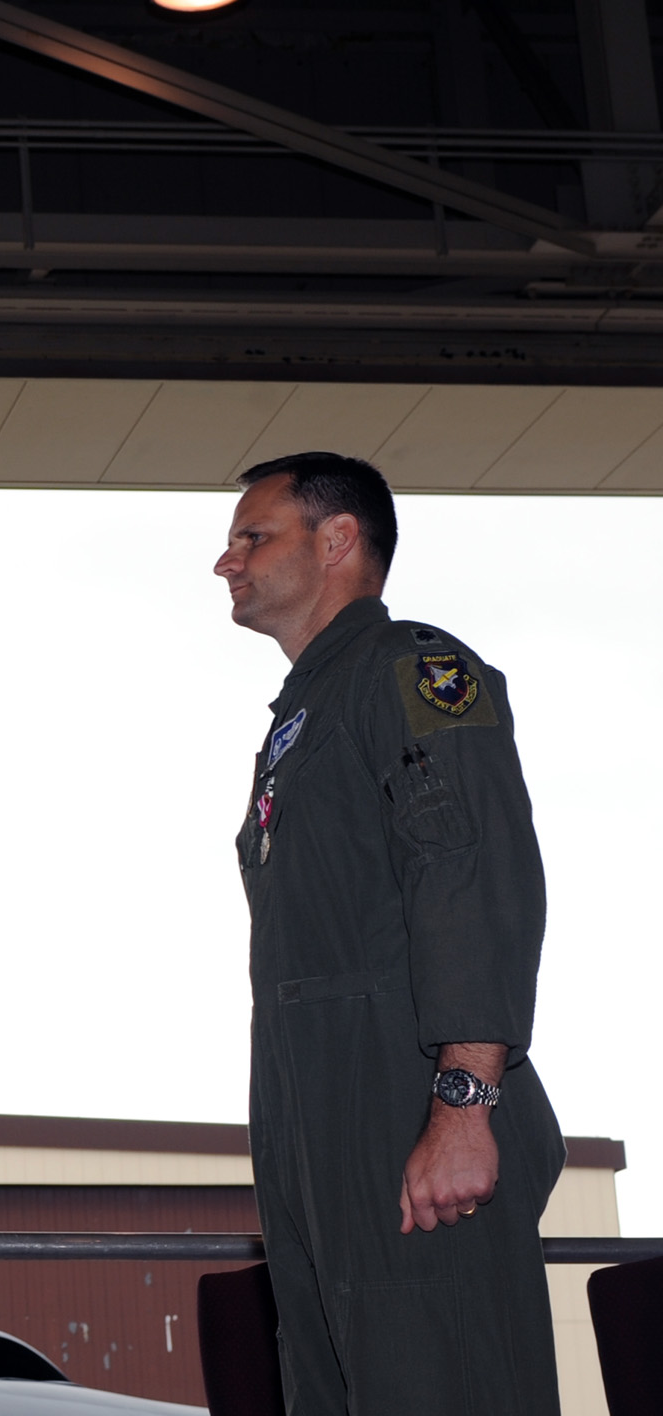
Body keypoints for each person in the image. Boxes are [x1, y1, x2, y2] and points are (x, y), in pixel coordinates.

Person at [213, 454, 562, 1415]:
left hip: (407, 1107)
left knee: (441, 1384)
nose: (226, 562)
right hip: (316, 1113)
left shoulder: (413, 672)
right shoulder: (306, 715)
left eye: (254, 536)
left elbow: (472, 879)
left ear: (338, 541)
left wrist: (462, 1105)